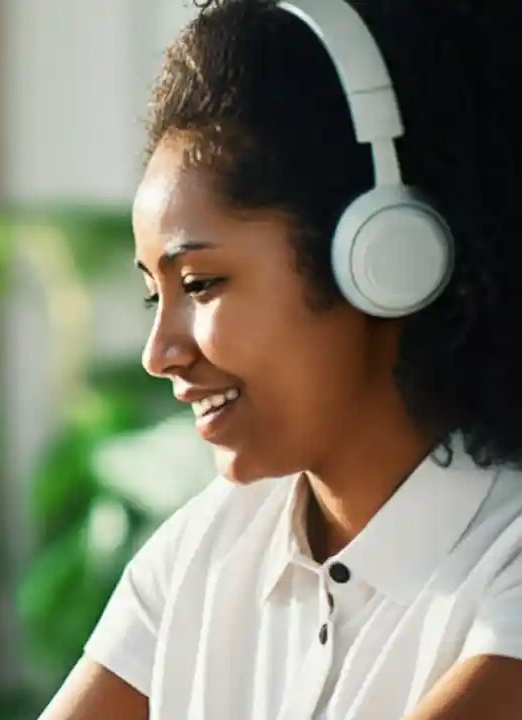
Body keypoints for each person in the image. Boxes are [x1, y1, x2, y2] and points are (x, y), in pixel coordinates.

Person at [39, 0, 522, 718]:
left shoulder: (506, 563)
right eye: (155, 296)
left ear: (383, 258)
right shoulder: (202, 552)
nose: (160, 354)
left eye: (200, 284)